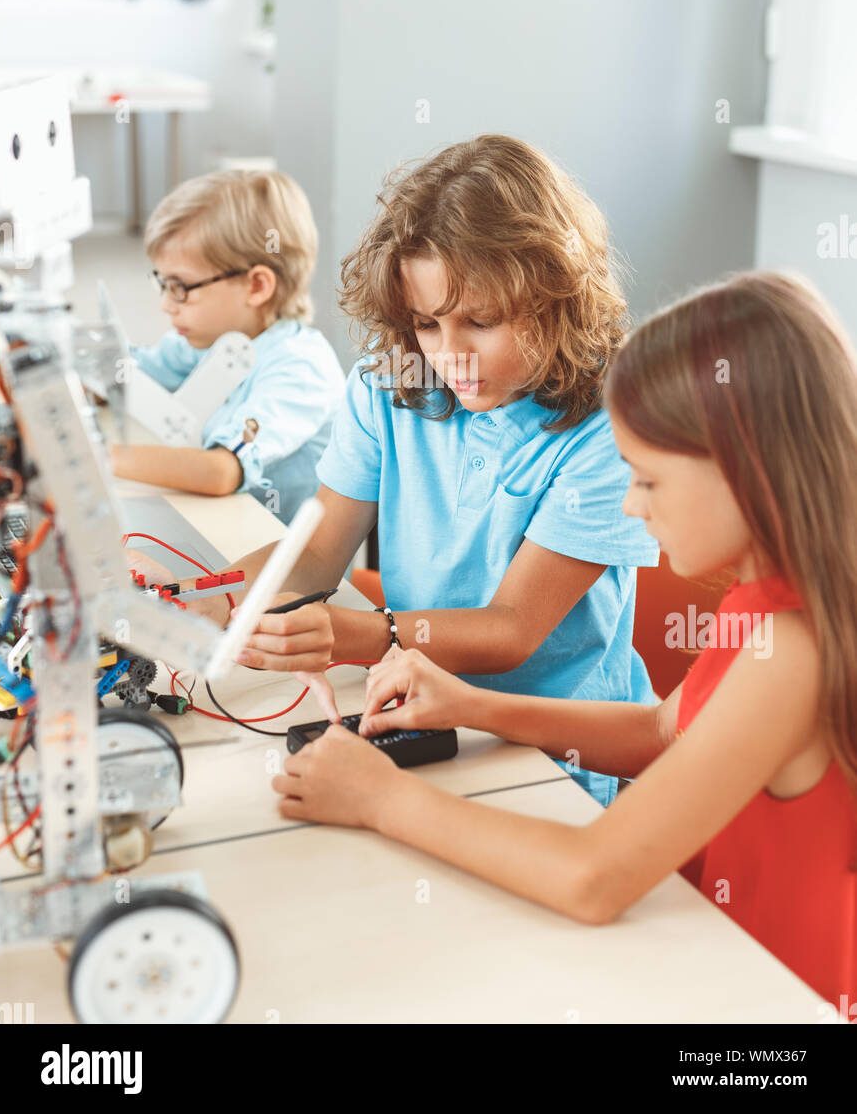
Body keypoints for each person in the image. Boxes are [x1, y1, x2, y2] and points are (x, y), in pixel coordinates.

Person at [271, 271, 857, 1008]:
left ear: (749, 472)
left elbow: (593, 877)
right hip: (707, 956)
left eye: (647, 480)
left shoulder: (793, 648)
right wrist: (468, 703)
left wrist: (380, 799)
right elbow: (664, 731)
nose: (629, 504)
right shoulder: (768, 596)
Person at [158, 135, 660, 807]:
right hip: (424, 716)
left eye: (480, 321)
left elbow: (511, 628)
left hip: (560, 758)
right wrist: (191, 598)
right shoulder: (391, 385)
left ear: (554, 295)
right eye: (426, 323)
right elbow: (314, 554)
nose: (450, 356)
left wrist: (364, 635)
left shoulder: (608, 428)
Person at [113, 168, 345, 520]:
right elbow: (136, 369)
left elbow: (222, 471)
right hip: (224, 532)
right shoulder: (215, 339)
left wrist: (98, 456)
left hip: (277, 563)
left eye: (181, 287)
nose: (166, 304)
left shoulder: (300, 367)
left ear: (256, 287)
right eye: (163, 284)